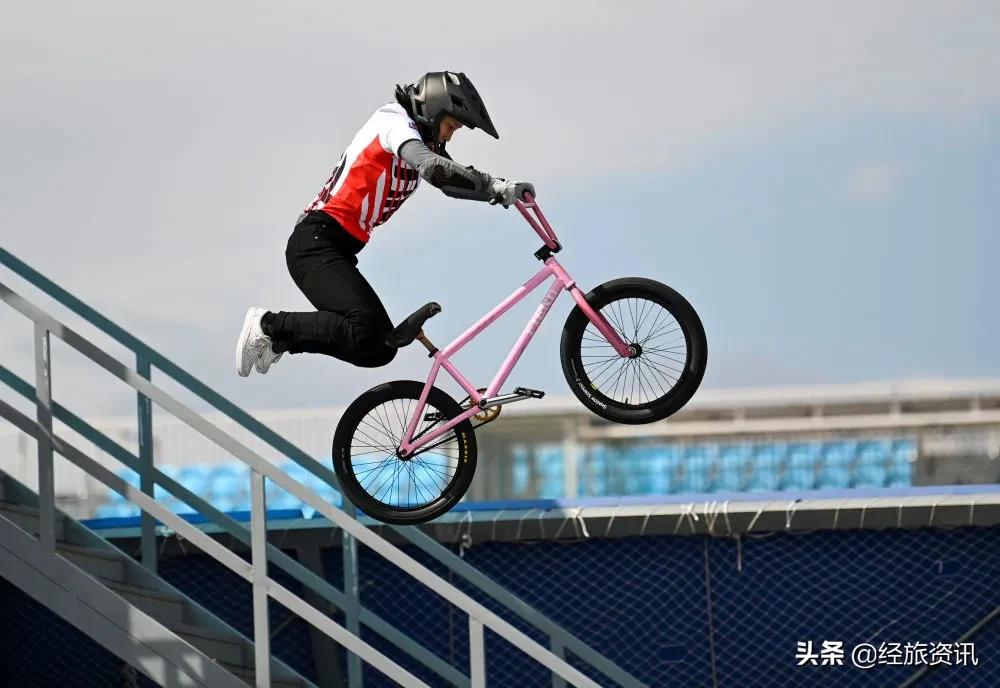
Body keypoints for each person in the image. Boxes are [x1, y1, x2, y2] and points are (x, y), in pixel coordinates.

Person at [235, 71, 534, 377]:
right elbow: (435, 170)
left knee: (378, 347)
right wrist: (496, 186)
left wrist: (501, 192)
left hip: (335, 249)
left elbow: (450, 182)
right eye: (450, 127)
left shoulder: (417, 141)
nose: (448, 136)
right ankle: (268, 325)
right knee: (364, 329)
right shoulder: (392, 123)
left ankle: (279, 340)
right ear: (433, 110)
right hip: (315, 242)